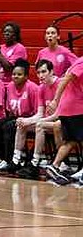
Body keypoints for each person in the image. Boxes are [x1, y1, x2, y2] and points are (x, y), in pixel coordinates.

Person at [0, 58, 40, 173]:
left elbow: (37, 112)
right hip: (16, 116)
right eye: (14, 74)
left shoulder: (33, 88)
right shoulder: (9, 86)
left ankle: (11, 160)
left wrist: (27, 120)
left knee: (8, 127)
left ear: (26, 76)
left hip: (29, 117)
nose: (15, 76)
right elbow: (10, 109)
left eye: (19, 74)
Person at [16, 60, 60, 178]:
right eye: (38, 72)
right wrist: (26, 121)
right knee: (22, 124)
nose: (41, 75)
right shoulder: (41, 88)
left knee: (40, 125)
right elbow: (40, 113)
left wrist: (40, 121)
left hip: (61, 121)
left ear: (51, 71)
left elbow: (59, 114)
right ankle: (16, 160)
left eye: (44, 71)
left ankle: (34, 163)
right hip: (47, 121)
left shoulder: (60, 84)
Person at [44, 56, 83, 185]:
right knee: (73, 140)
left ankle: (54, 166)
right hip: (75, 108)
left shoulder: (78, 61)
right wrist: (55, 99)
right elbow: (66, 79)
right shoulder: (81, 63)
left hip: (68, 108)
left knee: (71, 141)